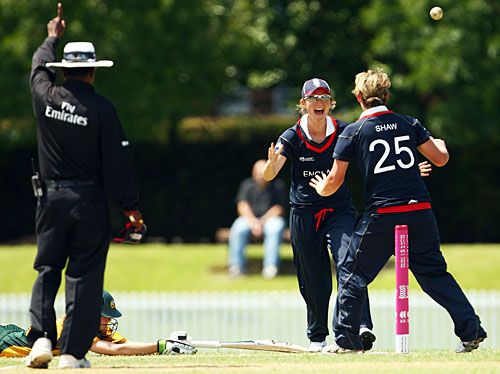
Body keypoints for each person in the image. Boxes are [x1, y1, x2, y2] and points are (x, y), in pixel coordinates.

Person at [310, 68, 487, 353]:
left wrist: (321, 189)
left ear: (358, 98)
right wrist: (439, 142)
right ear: (387, 95)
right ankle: (471, 330)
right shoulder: (409, 123)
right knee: (434, 274)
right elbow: (440, 159)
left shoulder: (353, 132)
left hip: (383, 215)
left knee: (352, 273)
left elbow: (334, 182)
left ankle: (346, 341)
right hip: (419, 210)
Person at [26, 3, 145, 369]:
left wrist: (51, 37)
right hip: (89, 201)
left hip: (50, 198)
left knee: (48, 268)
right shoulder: (102, 109)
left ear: (65, 70)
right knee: (84, 275)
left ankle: (42, 337)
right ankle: (73, 353)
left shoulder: (46, 96)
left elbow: (37, 66)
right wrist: (130, 207)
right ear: (92, 71)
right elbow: (118, 164)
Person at [262, 78, 376, 352]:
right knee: (314, 278)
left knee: (350, 259)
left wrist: (404, 173)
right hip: (304, 213)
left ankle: (361, 326)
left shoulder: (344, 131)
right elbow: (270, 174)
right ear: (303, 105)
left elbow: (371, 158)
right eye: (313, 99)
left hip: (339, 210)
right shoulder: (291, 136)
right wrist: (271, 163)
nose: (319, 103)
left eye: (324, 98)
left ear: (331, 104)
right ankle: (317, 338)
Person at [0, 291, 196, 358]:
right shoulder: (72, 324)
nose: (108, 320)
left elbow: (125, 345)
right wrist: (161, 345)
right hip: (5, 344)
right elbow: (111, 350)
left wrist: (166, 344)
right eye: (104, 315)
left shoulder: (97, 327)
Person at [228, 159, 288, 279]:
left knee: (274, 228)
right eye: (258, 172)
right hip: (249, 220)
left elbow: (279, 209)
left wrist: (262, 221)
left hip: (270, 220)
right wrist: (253, 222)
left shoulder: (278, 185)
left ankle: (270, 267)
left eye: (263, 172)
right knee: (238, 227)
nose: (261, 175)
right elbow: (242, 205)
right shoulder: (247, 185)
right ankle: (236, 266)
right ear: (253, 173)